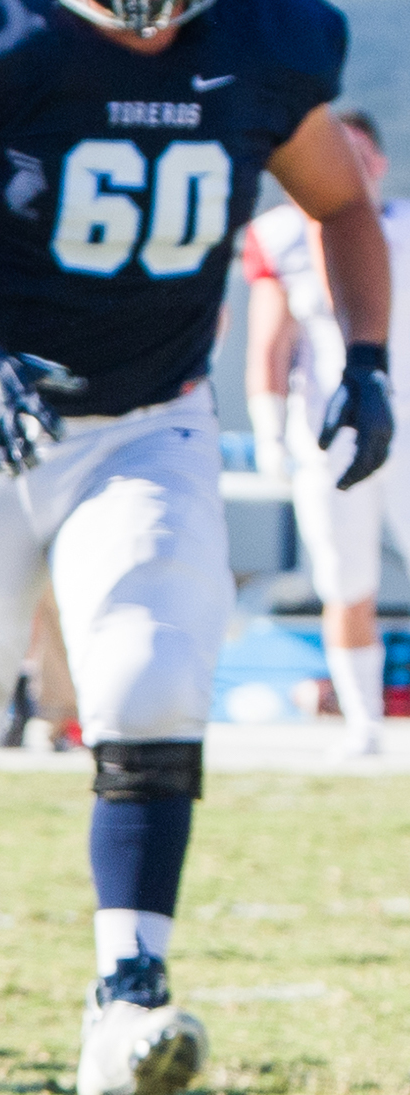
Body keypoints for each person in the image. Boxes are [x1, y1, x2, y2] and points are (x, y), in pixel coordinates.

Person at [0, 0, 389, 1095]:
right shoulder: (3, 37)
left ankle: (125, 988)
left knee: (149, 673)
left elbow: (340, 203)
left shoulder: (262, 41)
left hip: (150, 414)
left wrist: (366, 356)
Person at [242, 109, 410, 759]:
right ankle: (364, 722)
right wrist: (267, 423)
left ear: (381, 162)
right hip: (329, 426)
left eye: (361, 153)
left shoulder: (400, 226)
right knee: (345, 577)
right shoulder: (278, 235)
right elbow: (270, 340)